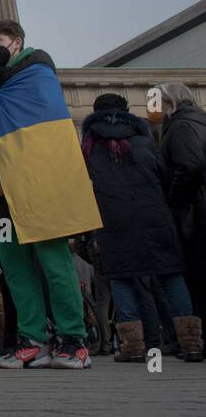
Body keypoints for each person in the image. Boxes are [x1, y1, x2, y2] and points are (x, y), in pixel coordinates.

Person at [0, 21, 102, 370]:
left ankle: (73, 340)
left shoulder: (38, 75)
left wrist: (12, 174)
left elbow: (44, 139)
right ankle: (32, 340)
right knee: (14, 267)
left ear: (17, 43)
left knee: (54, 263)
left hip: (38, 186)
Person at [82, 93, 201, 362]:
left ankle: (133, 346)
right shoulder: (145, 140)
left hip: (113, 218)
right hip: (154, 215)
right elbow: (164, 175)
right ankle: (191, 343)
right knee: (171, 275)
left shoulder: (90, 147)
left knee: (122, 278)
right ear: (125, 110)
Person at [154, 81, 206, 320]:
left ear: (168, 101)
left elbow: (190, 165)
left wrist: (174, 200)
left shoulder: (181, 126)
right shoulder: (198, 120)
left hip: (195, 210)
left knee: (196, 274)